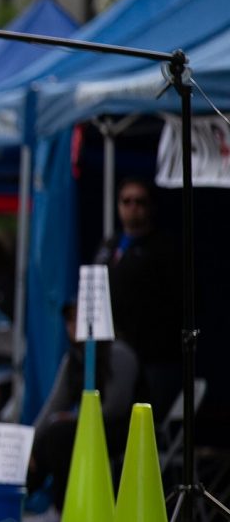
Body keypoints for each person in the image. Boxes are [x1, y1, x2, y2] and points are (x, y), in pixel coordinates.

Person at [27, 304, 140, 512]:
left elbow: (116, 407)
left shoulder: (118, 353)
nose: (72, 325)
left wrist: (77, 419)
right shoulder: (73, 359)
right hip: (86, 424)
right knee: (45, 437)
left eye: (77, 319)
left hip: (121, 430)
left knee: (59, 435)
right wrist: (28, 443)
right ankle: (13, 503)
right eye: (69, 320)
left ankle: (64, 508)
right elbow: (54, 404)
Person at [93, 178, 181, 424]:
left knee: (143, 424)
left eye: (140, 201)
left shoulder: (164, 248)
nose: (133, 207)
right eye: (126, 201)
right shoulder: (109, 245)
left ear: (151, 206)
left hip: (152, 358)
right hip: (113, 355)